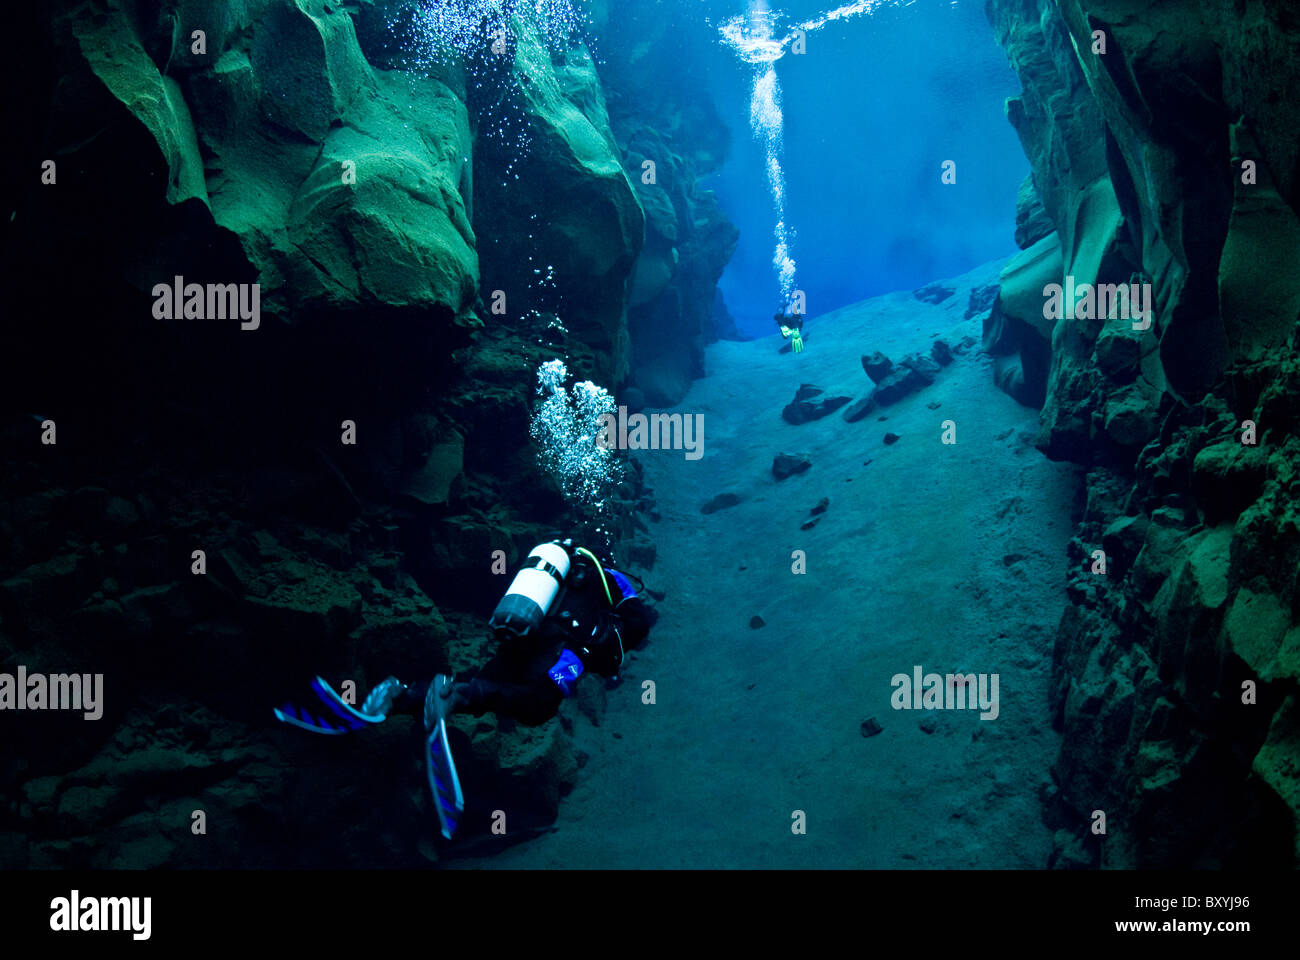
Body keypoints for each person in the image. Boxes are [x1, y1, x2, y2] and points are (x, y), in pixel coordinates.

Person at [272, 537, 656, 841]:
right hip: (560, 645)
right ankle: (450, 696)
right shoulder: (610, 579)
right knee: (538, 704)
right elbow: (641, 621)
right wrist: (610, 637)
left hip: (519, 634)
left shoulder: (550, 573)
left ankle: (401, 694)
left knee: (484, 687)